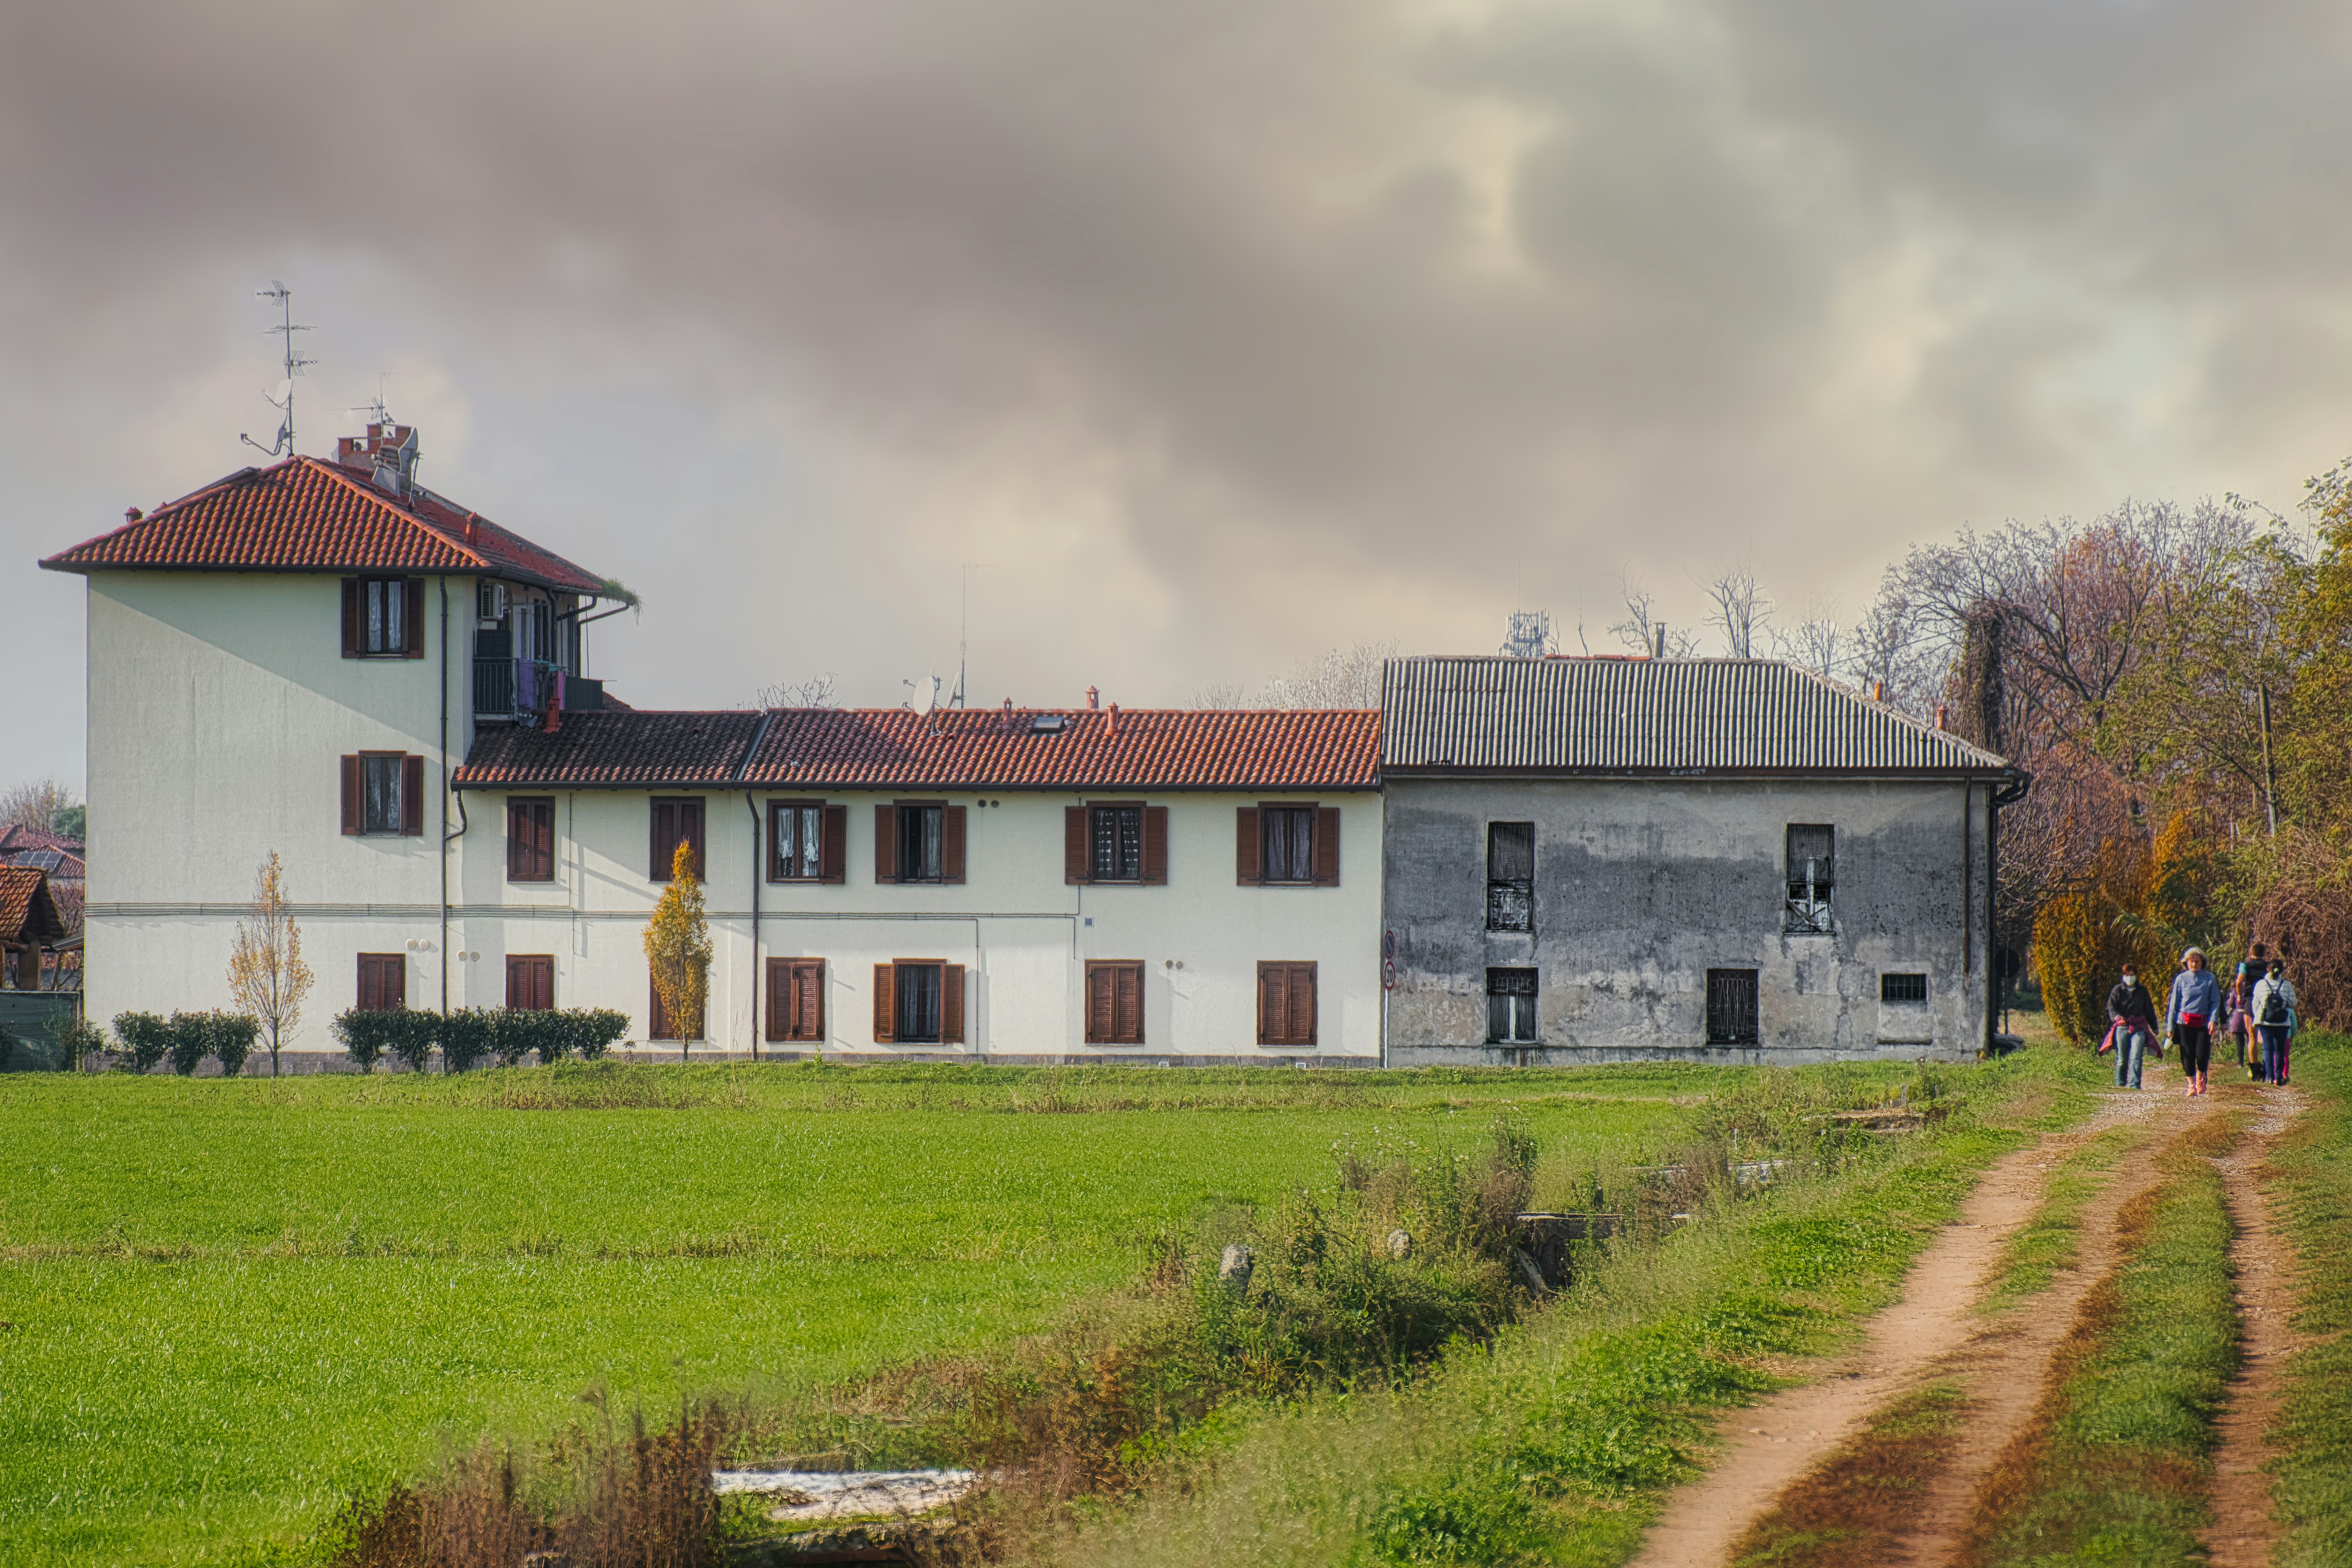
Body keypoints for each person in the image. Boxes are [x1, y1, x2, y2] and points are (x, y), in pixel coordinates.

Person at [2106, 963, 2159, 1090]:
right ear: (2123, 976)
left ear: (2136, 976)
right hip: (2123, 1026)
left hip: (2139, 1027)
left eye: (2132, 975)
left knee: (2136, 1056)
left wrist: (2154, 1027)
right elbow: (2111, 1006)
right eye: (2127, 975)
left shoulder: (2142, 991)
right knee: (2122, 1058)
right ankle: (2120, 1084)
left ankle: (2135, 1084)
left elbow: (2149, 1010)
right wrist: (2116, 1017)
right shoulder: (2118, 990)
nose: (2130, 978)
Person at [2251, 959, 2298, 1087]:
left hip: (2265, 1022)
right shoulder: (2287, 985)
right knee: (2280, 1050)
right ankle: (2278, 1077)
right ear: (2282, 970)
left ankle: (2269, 1076)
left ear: (2268, 969)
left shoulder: (2261, 984)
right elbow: (2293, 1003)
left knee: (2268, 1048)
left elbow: (2255, 1005)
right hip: (2282, 1023)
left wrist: (2259, 1015)